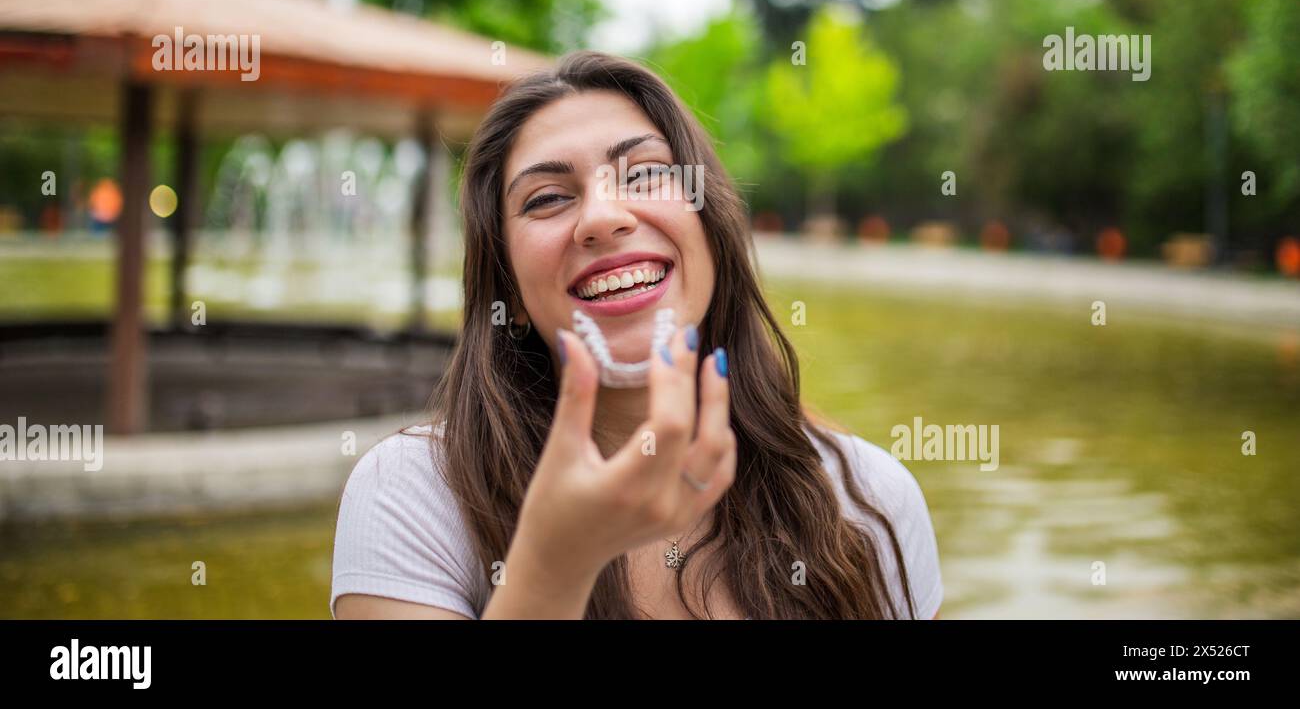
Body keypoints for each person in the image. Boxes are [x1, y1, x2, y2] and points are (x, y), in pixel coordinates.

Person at [331, 50, 943, 619]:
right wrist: (554, 564)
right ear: (509, 293)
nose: (602, 216)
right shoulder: (412, 493)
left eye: (645, 174)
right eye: (546, 198)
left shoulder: (867, 498)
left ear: (712, 228)